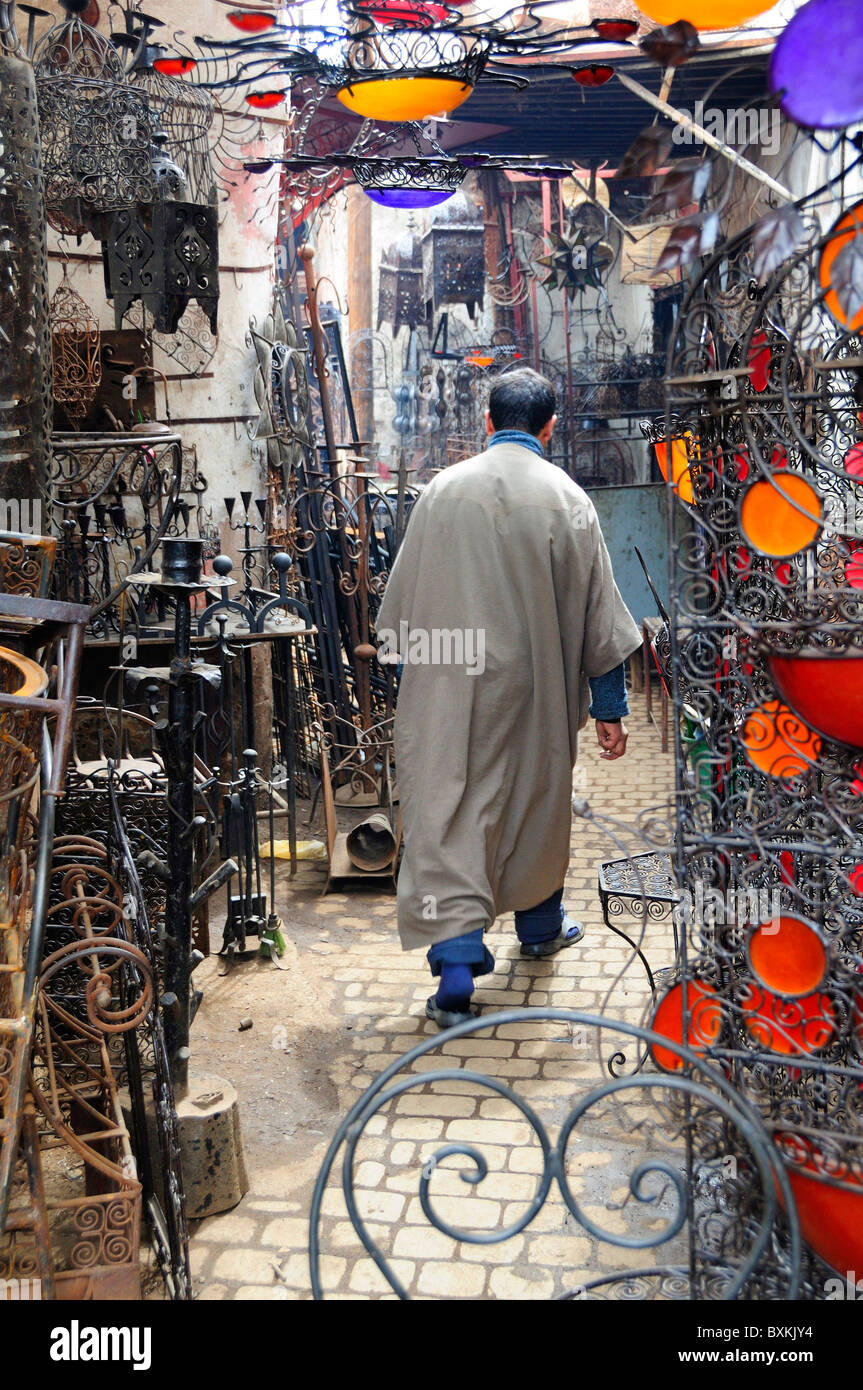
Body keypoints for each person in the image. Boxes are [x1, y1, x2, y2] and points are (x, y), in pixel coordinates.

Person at [376, 368, 642, 1027]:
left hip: (448, 683)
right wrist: (609, 710)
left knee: (449, 816)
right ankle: (540, 929)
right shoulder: (568, 499)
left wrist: (408, 685)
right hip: (536, 690)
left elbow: (401, 613)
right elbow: (600, 618)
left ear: (487, 423)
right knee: (535, 805)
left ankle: (456, 972)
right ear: (549, 428)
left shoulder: (440, 492)